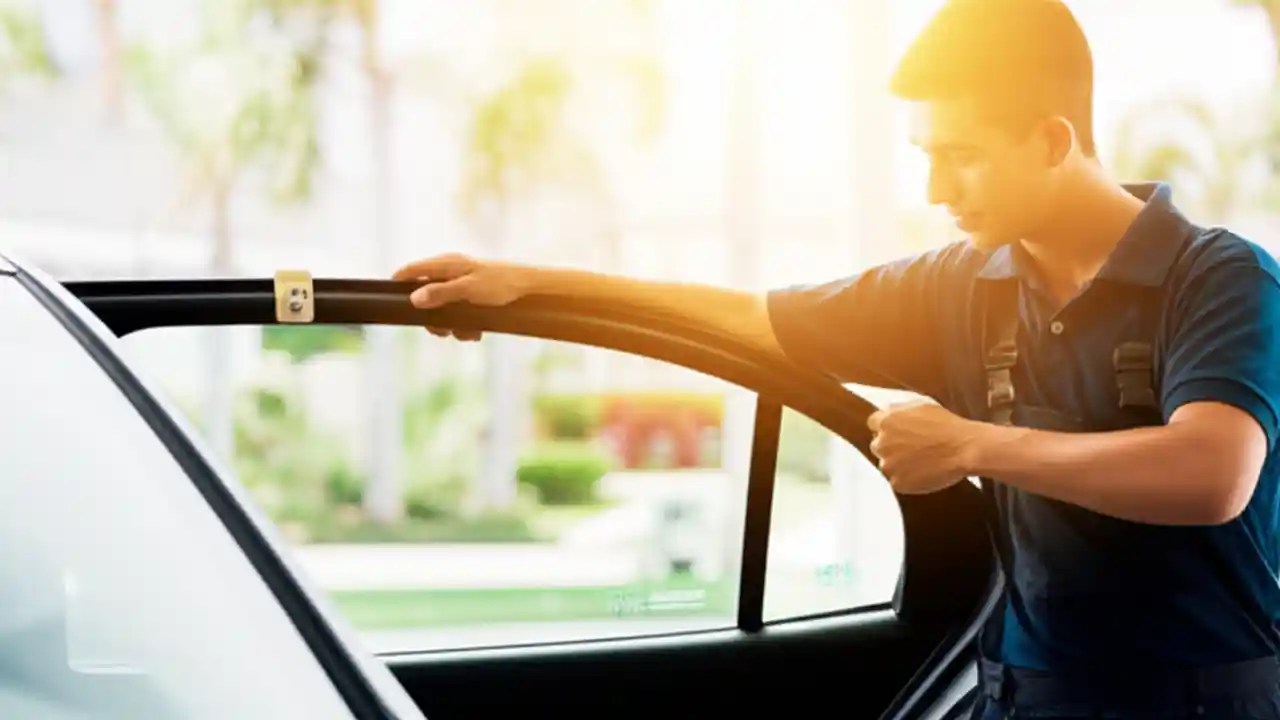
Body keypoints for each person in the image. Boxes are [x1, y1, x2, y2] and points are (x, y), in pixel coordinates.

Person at [393, 0, 1280, 716]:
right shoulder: (955, 289)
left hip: (1207, 701)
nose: (937, 191)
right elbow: (754, 321)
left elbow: (1209, 472)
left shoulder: (1220, 278)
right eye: (928, 156)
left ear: (1053, 140)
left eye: (962, 158)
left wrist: (969, 444)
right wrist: (529, 286)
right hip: (1028, 697)